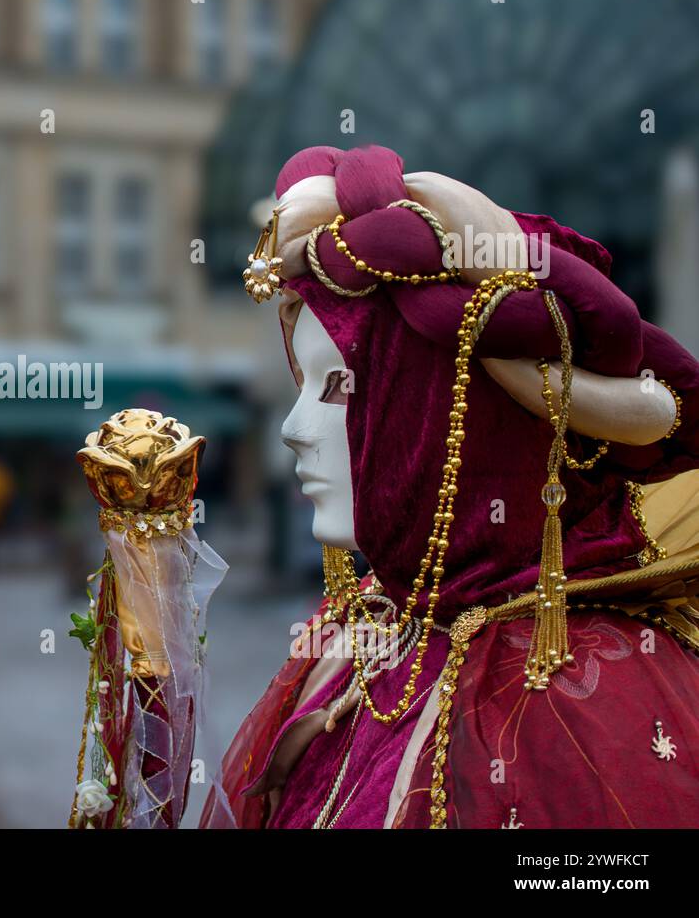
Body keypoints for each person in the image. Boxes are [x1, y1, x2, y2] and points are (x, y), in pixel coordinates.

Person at [206, 144, 699, 828]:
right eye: (303, 383)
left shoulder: (576, 703)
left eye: (339, 386)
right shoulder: (366, 640)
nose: (293, 426)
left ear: (449, 417)